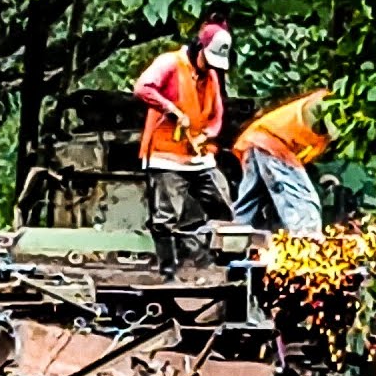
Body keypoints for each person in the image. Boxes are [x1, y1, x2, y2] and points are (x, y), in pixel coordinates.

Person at [133, 16, 235, 281]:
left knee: (222, 204)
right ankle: (168, 271)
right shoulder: (170, 63)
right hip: (166, 156)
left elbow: (217, 116)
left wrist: (207, 137)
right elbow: (142, 87)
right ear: (199, 49)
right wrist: (172, 109)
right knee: (166, 216)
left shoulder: (212, 76)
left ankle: (219, 264)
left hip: (198, 156)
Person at [231, 89, 331, 237]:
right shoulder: (325, 104)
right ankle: (306, 243)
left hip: (254, 142)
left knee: (249, 205)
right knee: (302, 203)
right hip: (271, 146)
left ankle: (233, 243)